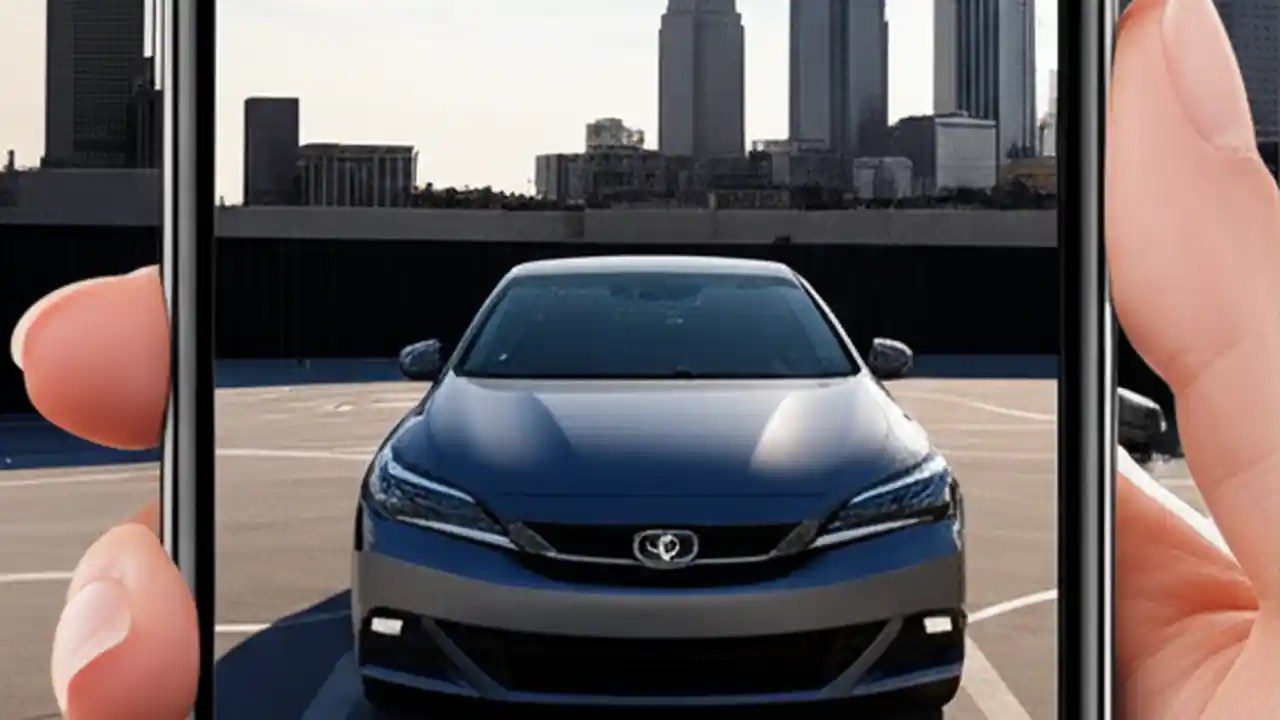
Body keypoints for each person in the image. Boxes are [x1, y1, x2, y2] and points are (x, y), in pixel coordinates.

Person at [10, 0, 1279, 717]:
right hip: (479, 552)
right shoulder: (448, 423)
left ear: (873, 358)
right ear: (432, 362)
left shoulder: (864, 416)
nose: (663, 563)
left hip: (836, 545)